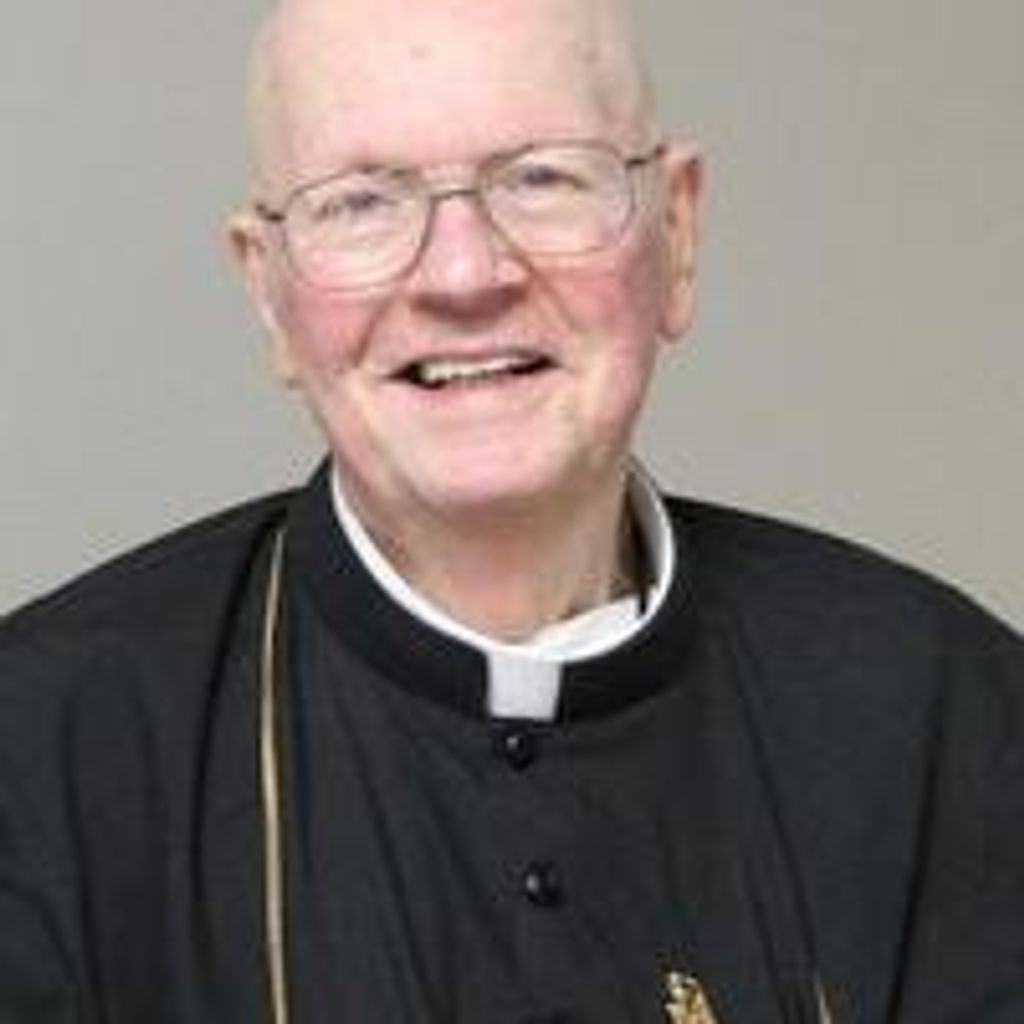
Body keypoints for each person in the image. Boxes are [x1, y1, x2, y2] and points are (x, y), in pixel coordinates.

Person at [1, 0, 1022, 1020]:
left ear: (676, 231)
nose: (464, 275)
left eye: (541, 179)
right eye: (362, 202)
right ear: (268, 292)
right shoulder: (39, 754)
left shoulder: (950, 715)